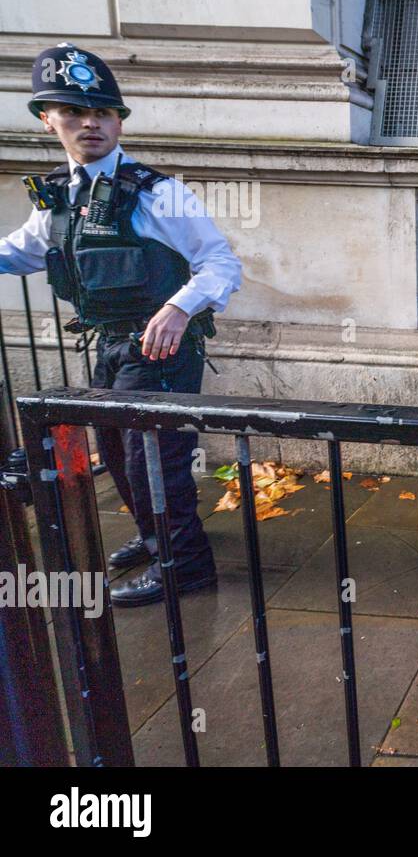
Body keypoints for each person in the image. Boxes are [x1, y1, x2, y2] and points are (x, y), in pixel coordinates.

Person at [5, 44, 243, 607]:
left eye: (104, 113)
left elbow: (221, 264)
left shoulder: (158, 191)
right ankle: (154, 536)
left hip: (161, 348)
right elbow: (21, 252)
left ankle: (185, 566)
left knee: (153, 461)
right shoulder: (59, 198)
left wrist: (181, 307)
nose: (90, 123)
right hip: (111, 345)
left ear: (118, 121)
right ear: (48, 120)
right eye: (73, 112)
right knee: (117, 454)